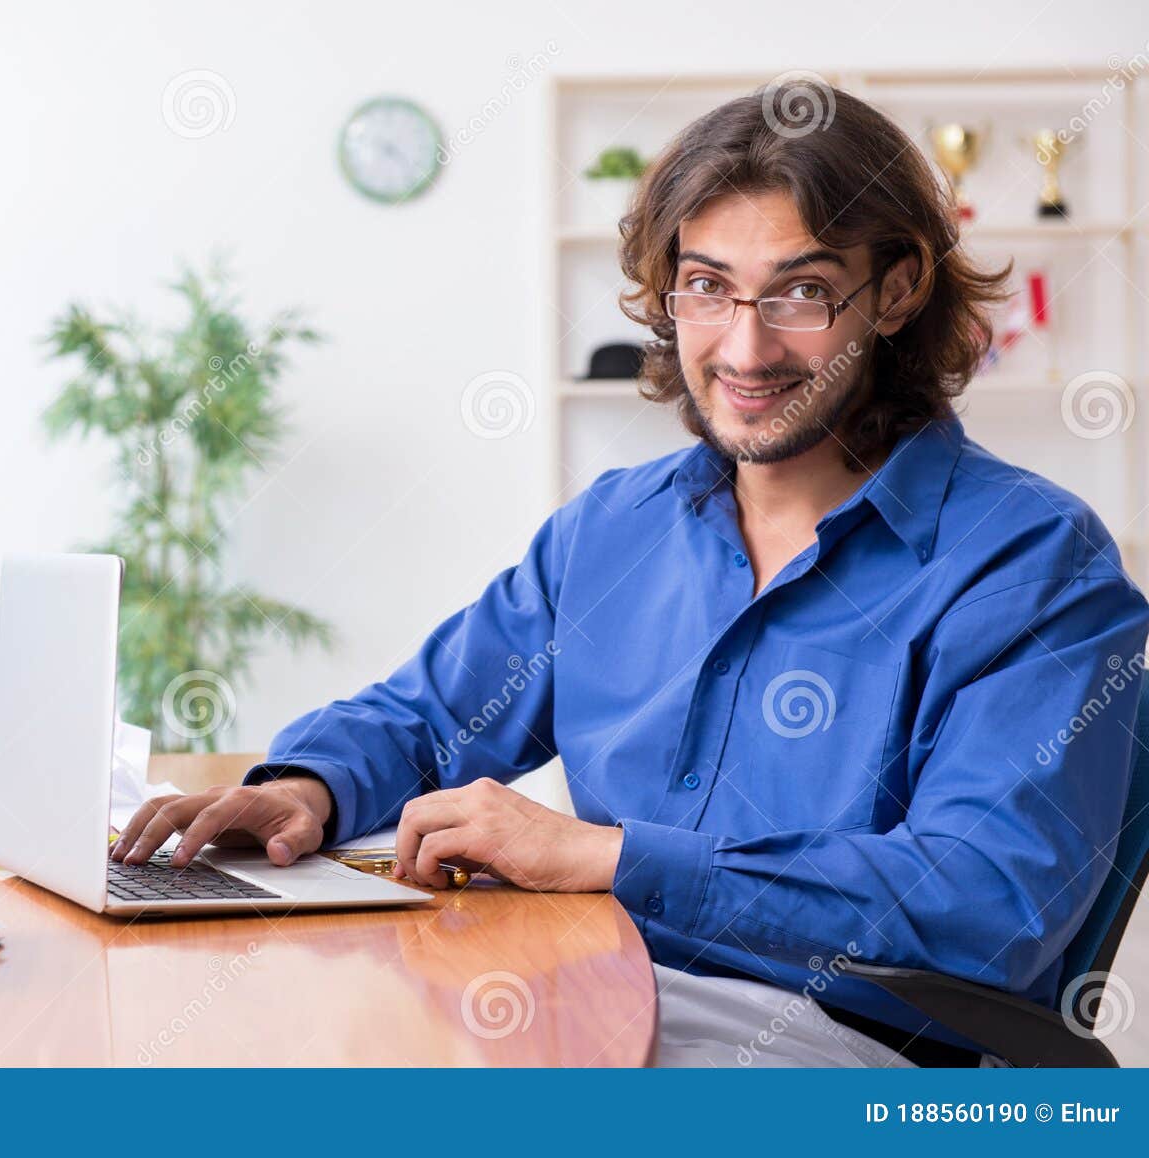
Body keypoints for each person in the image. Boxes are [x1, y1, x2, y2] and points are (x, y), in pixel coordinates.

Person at [114, 81, 1149, 1066]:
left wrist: (607, 858)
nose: (745, 348)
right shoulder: (616, 528)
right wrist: (310, 787)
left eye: (800, 291)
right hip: (581, 978)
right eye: (706, 286)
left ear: (898, 289)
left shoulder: (1031, 563)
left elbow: (984, 901)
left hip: (845, 1053)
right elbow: (434, 715)